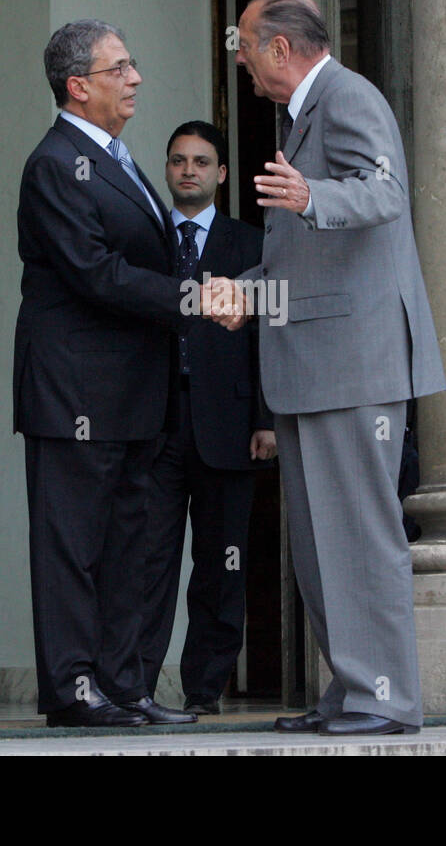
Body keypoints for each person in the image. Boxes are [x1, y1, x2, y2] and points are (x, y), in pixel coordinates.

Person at [12, 21, 242, 727]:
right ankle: (74, 688)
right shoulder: (56, 162)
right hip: (76, 392)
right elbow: (94, 273)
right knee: (73, 549)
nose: (136, 78)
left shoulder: (115, 157)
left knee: (128, 553)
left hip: (133, 396)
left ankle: (124, 685)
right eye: (121, 67)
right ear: (79, 86)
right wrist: (195, 298)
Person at [235, 0, 446, 736]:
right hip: (314, 359)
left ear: (281, 49)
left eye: (245, 44)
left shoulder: (350, 96)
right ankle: (354, 688)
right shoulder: (302, 118)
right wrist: (246, 294)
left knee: (359, 535)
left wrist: (310, 193)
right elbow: (314, 258)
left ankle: (384, 697)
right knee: (323, 545)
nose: (240, 59)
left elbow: (384, 191)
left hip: (355, 361)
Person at [139, 121, 275, 714]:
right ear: (166, 170)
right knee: (149, 560)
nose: (187, 170)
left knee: (222, 563)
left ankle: (204, 688)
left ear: (221, 173)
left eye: (200, 161)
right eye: (177, 161)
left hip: (231, 423)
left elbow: (270, 333)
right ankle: (134, 685)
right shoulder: (145, 242)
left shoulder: (252, 243)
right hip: (156, 422)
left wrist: (267, 418)